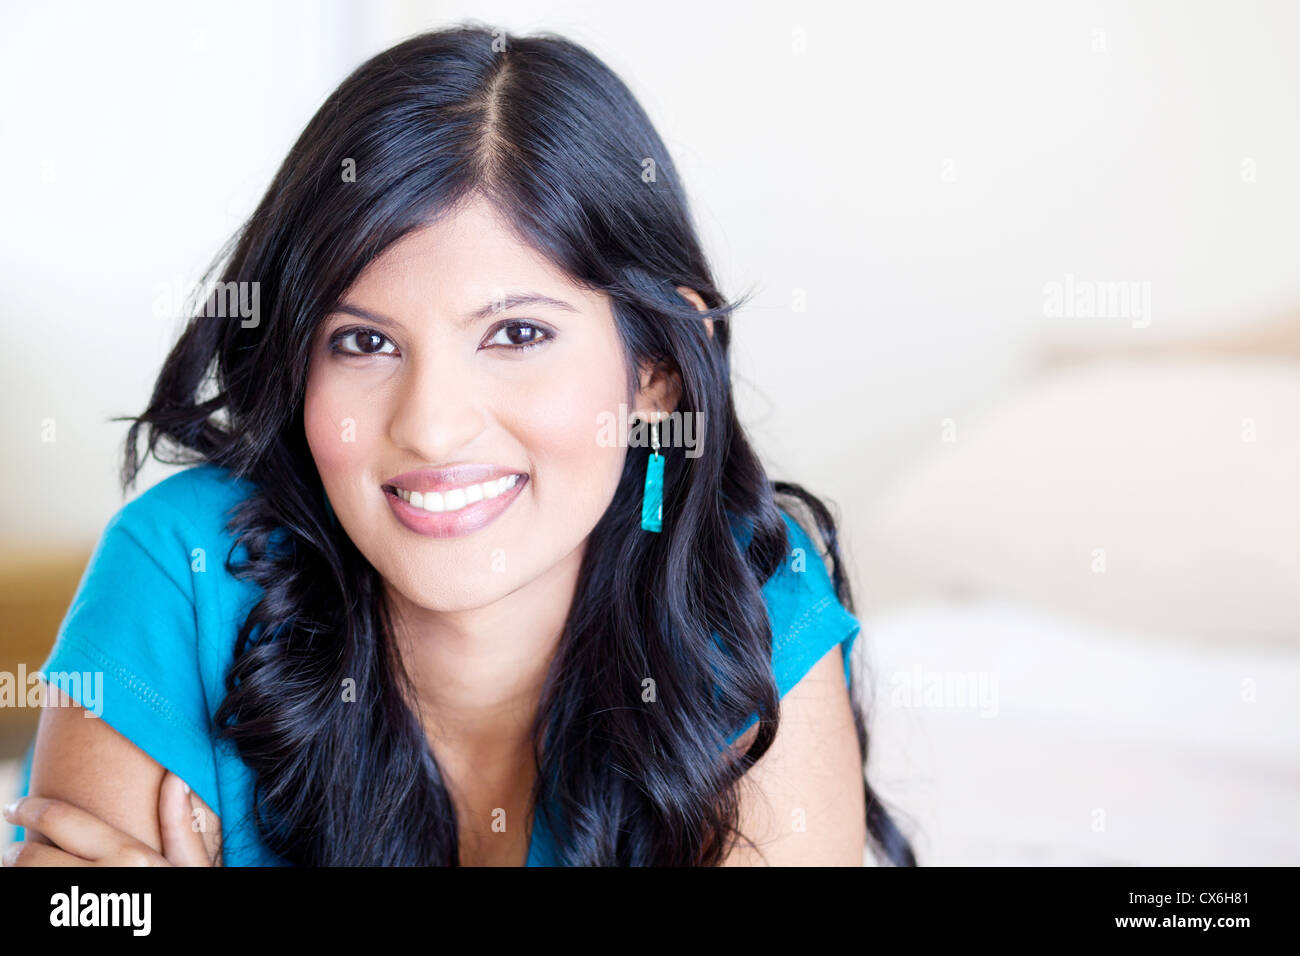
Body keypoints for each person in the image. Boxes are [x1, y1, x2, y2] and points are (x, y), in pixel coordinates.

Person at [2, 22, 914, 867]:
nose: (431, 426)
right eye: (363, 342)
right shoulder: (182, 571)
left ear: (657, 374)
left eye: (516, 335)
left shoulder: (745, 596)